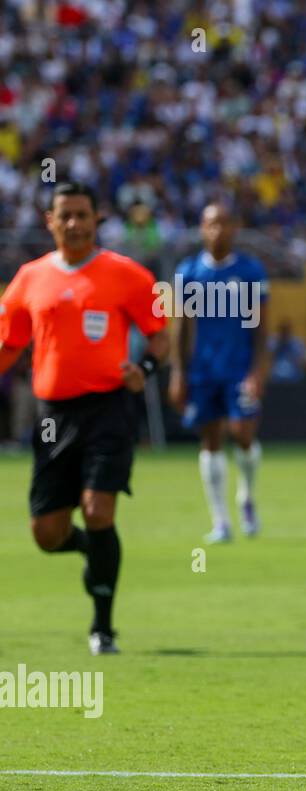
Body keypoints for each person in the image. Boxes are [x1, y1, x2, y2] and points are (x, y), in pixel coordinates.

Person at [0, 181, 169, 654]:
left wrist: (146, 369)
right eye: (65, 215)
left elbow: (160, 333)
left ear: (98, 220)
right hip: (53, 416)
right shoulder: (29, 278)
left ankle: (103, 627)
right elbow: (10, 343)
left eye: (82, 215)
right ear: (50, 222)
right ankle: (92, 551)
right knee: (47, 535)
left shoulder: (128, 275)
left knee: (99, 510)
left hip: (108, 408)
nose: (74, 223)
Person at [168, 202, 270, 543]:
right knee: (210, 440)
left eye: (225, 223)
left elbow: (260, 327)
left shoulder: (251, 271)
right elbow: (181, 327)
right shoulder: (189, 272)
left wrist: (257, 370)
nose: (218, 230)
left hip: (239, 369)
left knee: (242, 433)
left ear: (235, 228)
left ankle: (246, 496)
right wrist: (178, 372)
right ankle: (221, 521)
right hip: (203, 371)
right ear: (202, 228)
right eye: (211, 224)